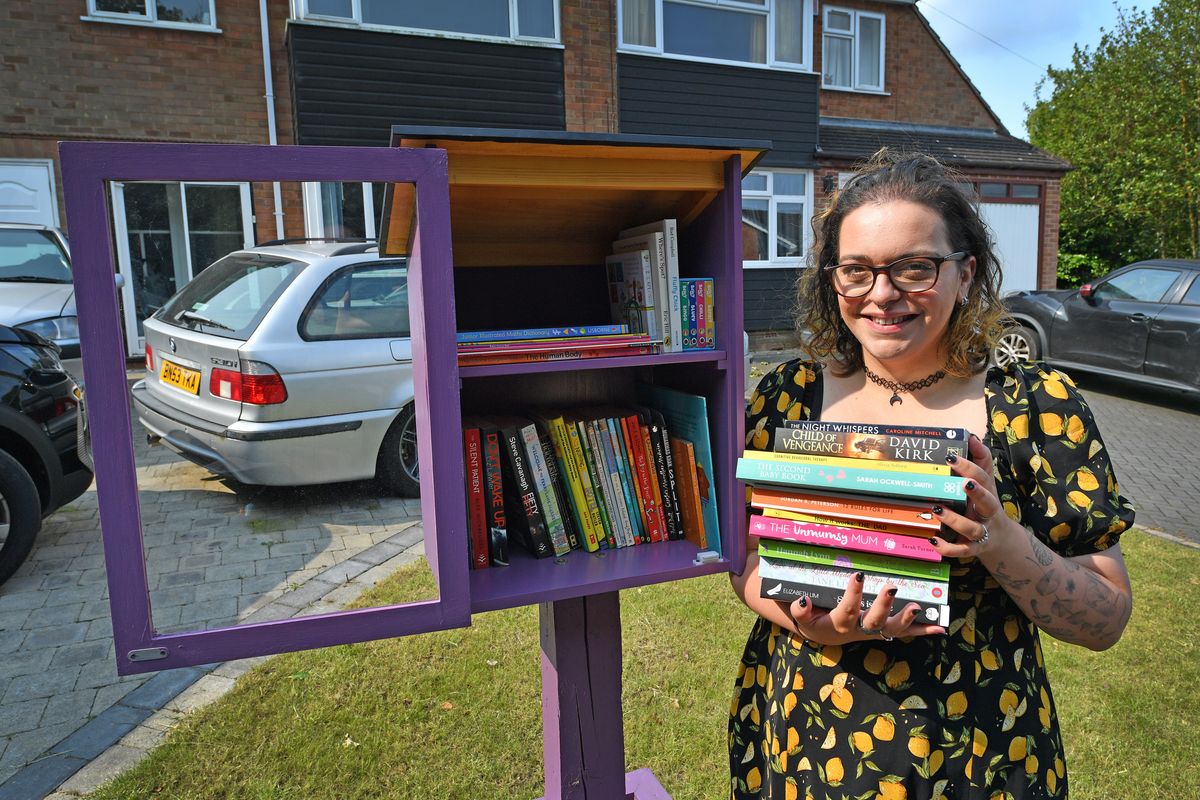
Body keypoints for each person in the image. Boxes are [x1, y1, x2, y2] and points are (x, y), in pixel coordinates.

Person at [729, 150, 1134, 799]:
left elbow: (1107, 617)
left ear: (965, 272)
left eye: (914, 267)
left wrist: (999, 538)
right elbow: (745, 555)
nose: (883, 294)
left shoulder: (1036, 406)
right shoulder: (787, 396)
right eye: (856, 271)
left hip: (978, 753)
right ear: (832, 280)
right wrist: (810, 620)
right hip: (809, 738)